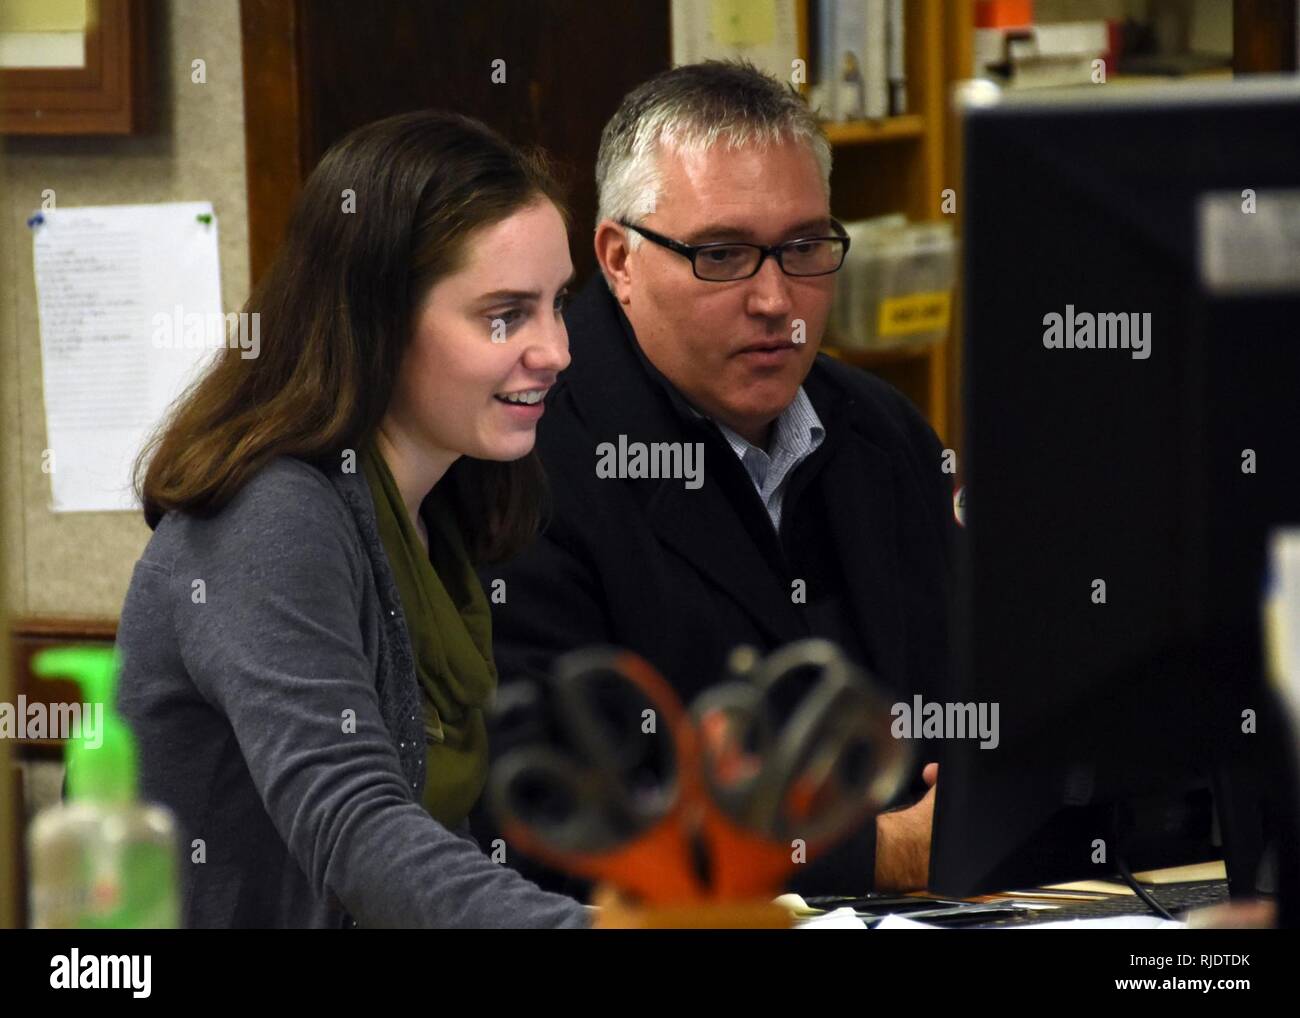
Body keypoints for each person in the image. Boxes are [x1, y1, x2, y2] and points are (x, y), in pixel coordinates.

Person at [483, 62, 956, 895]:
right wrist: (884, 853)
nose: (776, 299)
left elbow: (976, 707)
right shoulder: (525, 457)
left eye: (805, 248)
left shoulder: (882, 431)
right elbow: (554, 825)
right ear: (619, 260)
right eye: (723, 255)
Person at [115, 111, 587, 928]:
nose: (556, 349)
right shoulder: (269, 517)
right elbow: (354, 824)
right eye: (505, 315)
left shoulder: (442, 504)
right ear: (378, 322)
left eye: (557, 305)